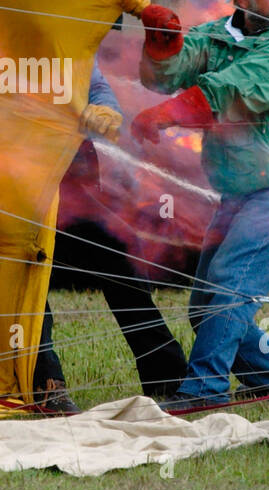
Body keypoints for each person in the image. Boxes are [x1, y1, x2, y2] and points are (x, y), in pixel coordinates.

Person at [132, 0, 269, 408]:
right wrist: (163, 47)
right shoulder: (219, 36)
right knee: (206, 306)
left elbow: (238, 90)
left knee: (227, 287)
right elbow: (165, 76)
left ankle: (204, 390)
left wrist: (170, 114)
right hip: (238, 190)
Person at [32, 56, 188, 408]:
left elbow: (96, 84)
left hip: (74, 171)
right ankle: (45, 383)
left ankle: (169, 378)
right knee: (28, 267)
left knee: (119, 255)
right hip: (13, 170)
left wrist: (105, 108)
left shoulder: (69, 29)